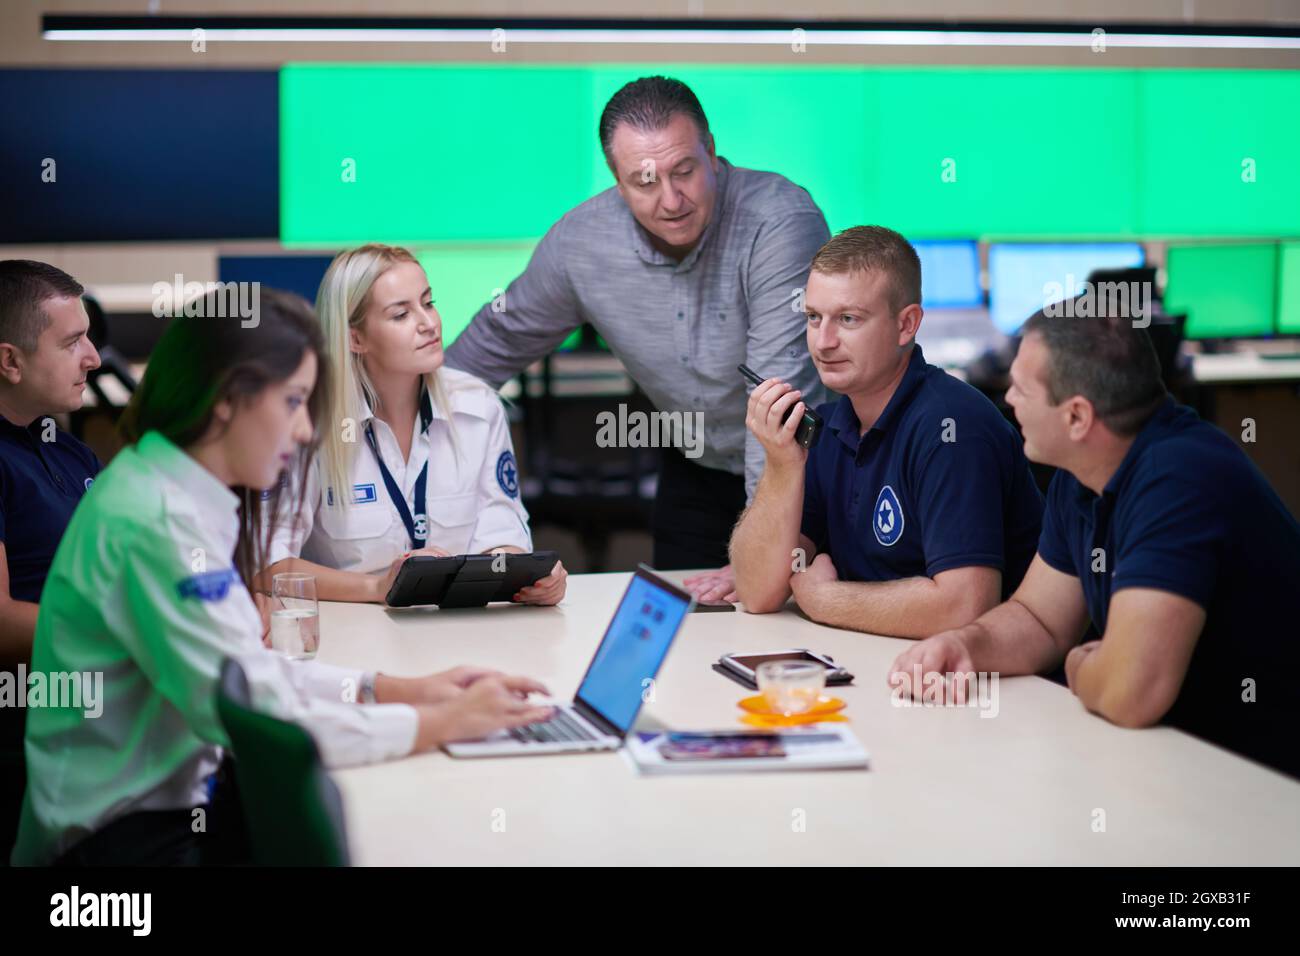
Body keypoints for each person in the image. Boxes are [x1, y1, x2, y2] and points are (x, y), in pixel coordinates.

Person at [12, 288, 555, 866]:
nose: (303, 432)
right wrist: (439, 722)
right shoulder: (160, 523)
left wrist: (394, 689)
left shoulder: (170, 490)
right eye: (294, 402)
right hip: (115, 850)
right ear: (228, 401)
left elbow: (250, 676)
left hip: (163, 810)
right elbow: (266, 722)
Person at [443, 75, 831, 602]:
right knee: (684, 637)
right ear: (616, 179)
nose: (671, 200)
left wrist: (766, 553)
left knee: (787, 629)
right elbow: (493, 343)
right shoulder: (581, 243)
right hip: (695, 469)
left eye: (684, 171)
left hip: (802, 471)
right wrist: (397, 422)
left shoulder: (778, 221)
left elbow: (777, 400)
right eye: (645, 182)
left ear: (712, 152)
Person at [889, 307, 1300, 779]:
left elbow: (1132, 692)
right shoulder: (1082, 473)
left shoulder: (1180, 479)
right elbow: (1040, 619)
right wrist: (965, 646)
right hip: (1178, 760)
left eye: (1022, 388)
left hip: (1266, 782)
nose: (1009, 397)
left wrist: (1082, 667)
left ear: (1077, 416)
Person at [731, 226, 1043, 637]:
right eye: (813, 317)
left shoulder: (951, 428)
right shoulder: (830, 426)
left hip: (988, 687)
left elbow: (966, 607)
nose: (823, 342)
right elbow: (756, 592)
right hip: (881, 665)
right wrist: (781, 462)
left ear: (906, 325)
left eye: (848, 319)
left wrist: (824, 598)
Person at [262, 244, 566, 606]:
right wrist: (377, 588)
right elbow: (267, 564)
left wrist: (524, 578)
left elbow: (501, 530)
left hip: (459, 629)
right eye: (401, 314)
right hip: (351, 634)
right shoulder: (307, 425)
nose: (428, 323)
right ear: (355, 338)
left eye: (429, 302)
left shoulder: (478, 408)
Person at [0, 260, 103, 857]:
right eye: (72, 342)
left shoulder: (70, 453)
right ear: (10, 361)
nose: (92, 356)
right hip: (36, 719)